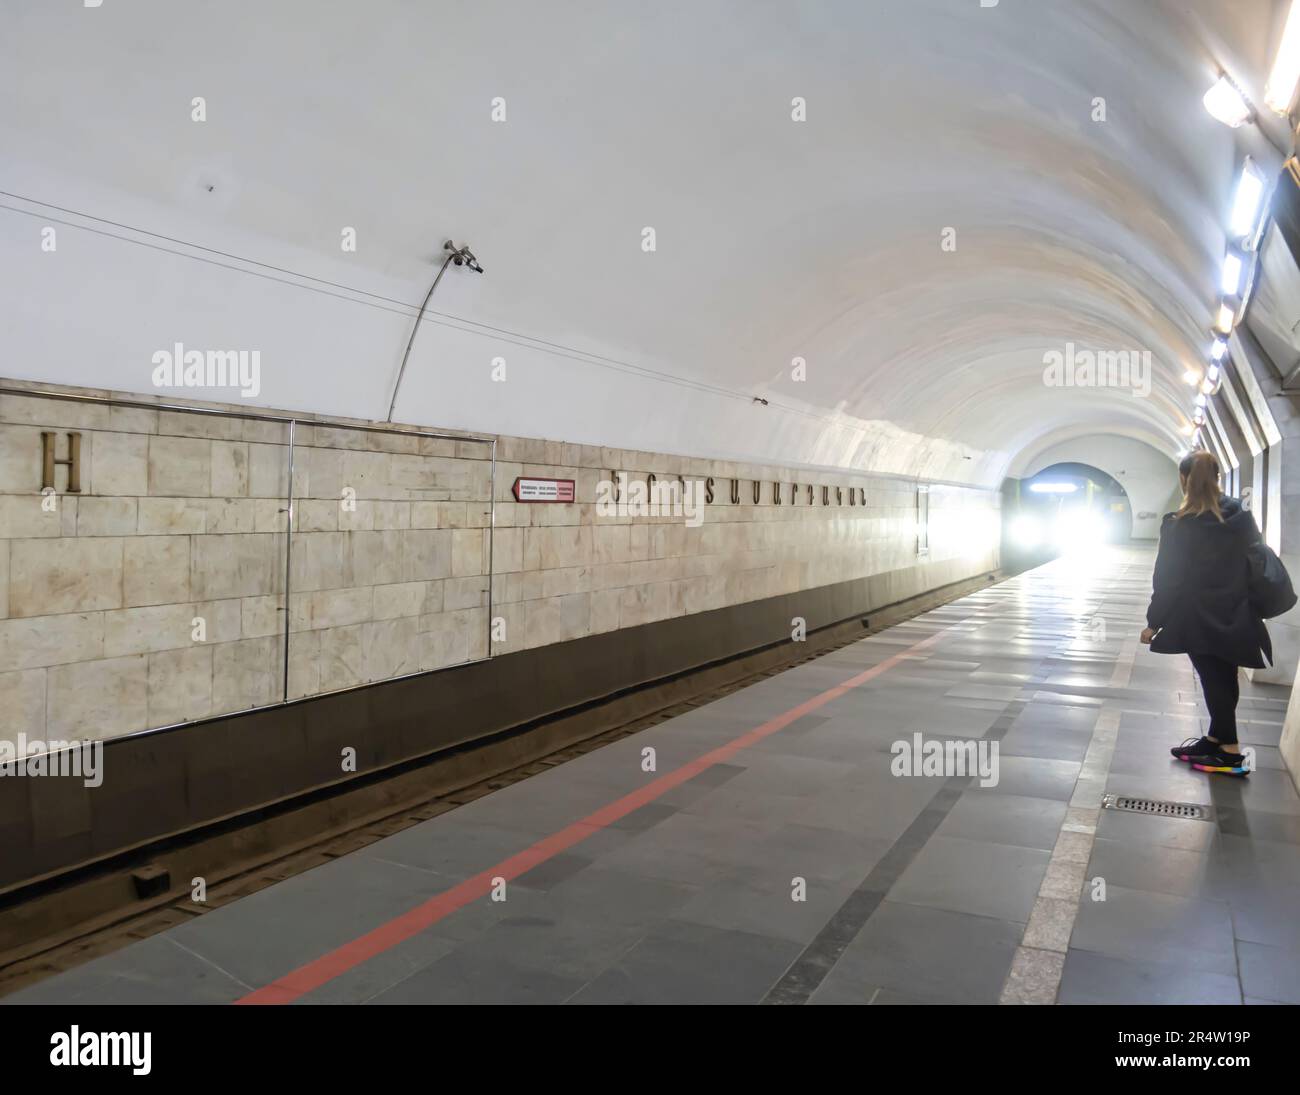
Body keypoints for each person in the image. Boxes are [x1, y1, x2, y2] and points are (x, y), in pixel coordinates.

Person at [1140, 450, 1268, 777]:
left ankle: (1230, 753)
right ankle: (1214, 740)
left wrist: (1154, 622)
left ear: (1183, 479)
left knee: (1214, 679)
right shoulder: (1240, 516)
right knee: (1224, 676)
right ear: (1218, 478)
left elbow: (1168, 578)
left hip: (1198, 616)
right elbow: (1255, 560)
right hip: (1236, 612)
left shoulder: (1179, 524)